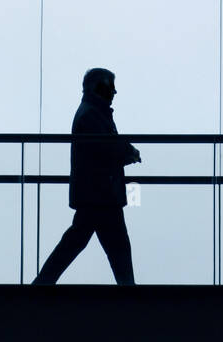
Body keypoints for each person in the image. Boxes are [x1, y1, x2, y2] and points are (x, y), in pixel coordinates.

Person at [32, 67, 141, 285]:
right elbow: (105, 148)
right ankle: (128, 291)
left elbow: (105, 147)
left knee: (79, 240)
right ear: (98, 87)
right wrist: (127, 152)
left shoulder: (92, 112)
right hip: (101, 195)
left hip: (96, 193)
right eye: (110, 86)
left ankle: (43, 282)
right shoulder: (92, 114)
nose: (115, 92)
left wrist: (124, 151)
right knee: (112, 244)